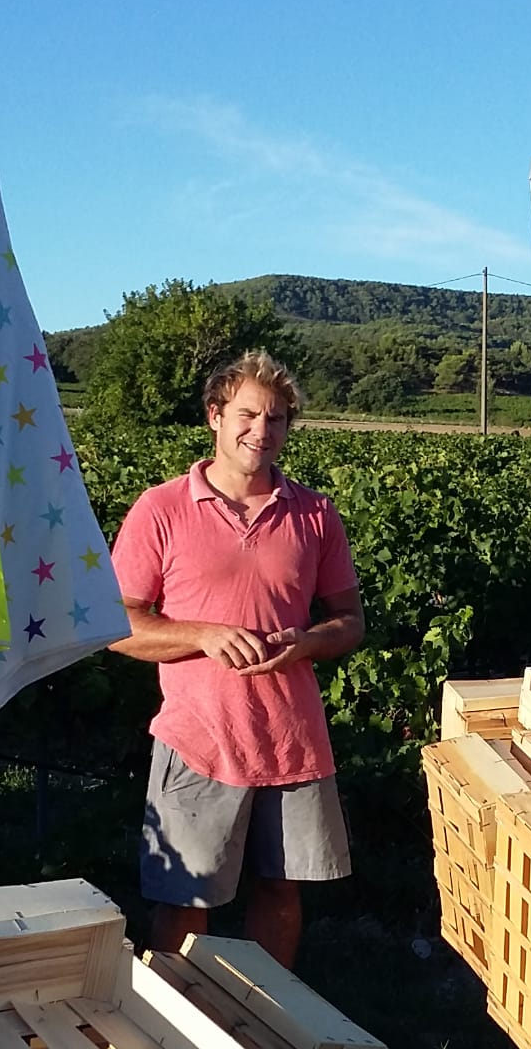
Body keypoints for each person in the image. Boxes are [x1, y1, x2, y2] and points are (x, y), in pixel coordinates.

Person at [109, 350, 364, 969]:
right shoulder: (162, 508)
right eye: (248, 415)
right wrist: (205, 634)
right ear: (215, 417)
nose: (262, 431)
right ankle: (165, 1028)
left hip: (292, 739)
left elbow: (351, 623)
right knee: (185, 899)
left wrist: (309, 642)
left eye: (276, 420)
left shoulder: (315, 514)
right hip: (199, 740)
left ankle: (264, 1022)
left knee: (282, 892)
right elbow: (118, 626)